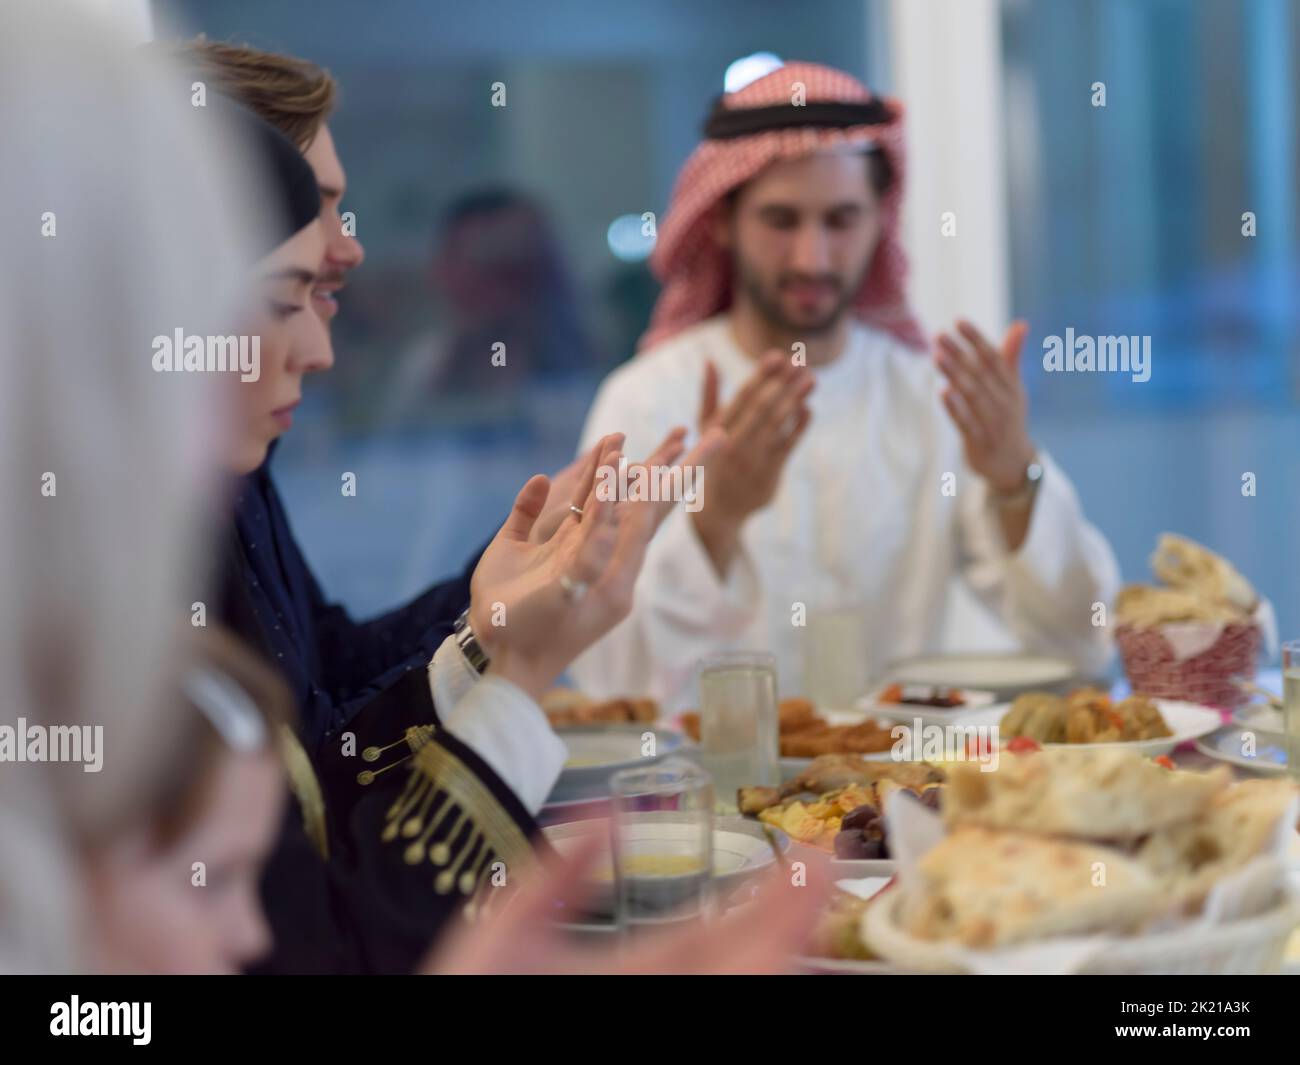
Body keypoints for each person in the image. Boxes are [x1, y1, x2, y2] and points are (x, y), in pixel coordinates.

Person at [571, 61, 1121, 711]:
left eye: (840, 220)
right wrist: (716, 521)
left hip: (893, 796)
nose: (813, 257)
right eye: (782, 220)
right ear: (721, 220)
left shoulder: (926, 396)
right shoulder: (645, 400)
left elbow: (1085, 638)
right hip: (699, 797)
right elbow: (606, 682)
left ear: (877, 221)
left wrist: (1014, 478)